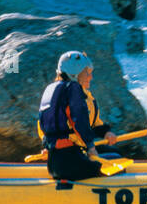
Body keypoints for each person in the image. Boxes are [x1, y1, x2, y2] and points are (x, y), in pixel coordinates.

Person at [37, 50, 120, 181]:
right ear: (74, 74)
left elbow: (45, 127)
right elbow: (79, 121)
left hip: (55, 163)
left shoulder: (52, 90)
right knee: (118, 160)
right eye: (87, 73)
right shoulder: (73, 90)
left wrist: (106, 132)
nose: (90, 77)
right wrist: (91, 148)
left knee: (111, 153)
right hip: (71, 163)